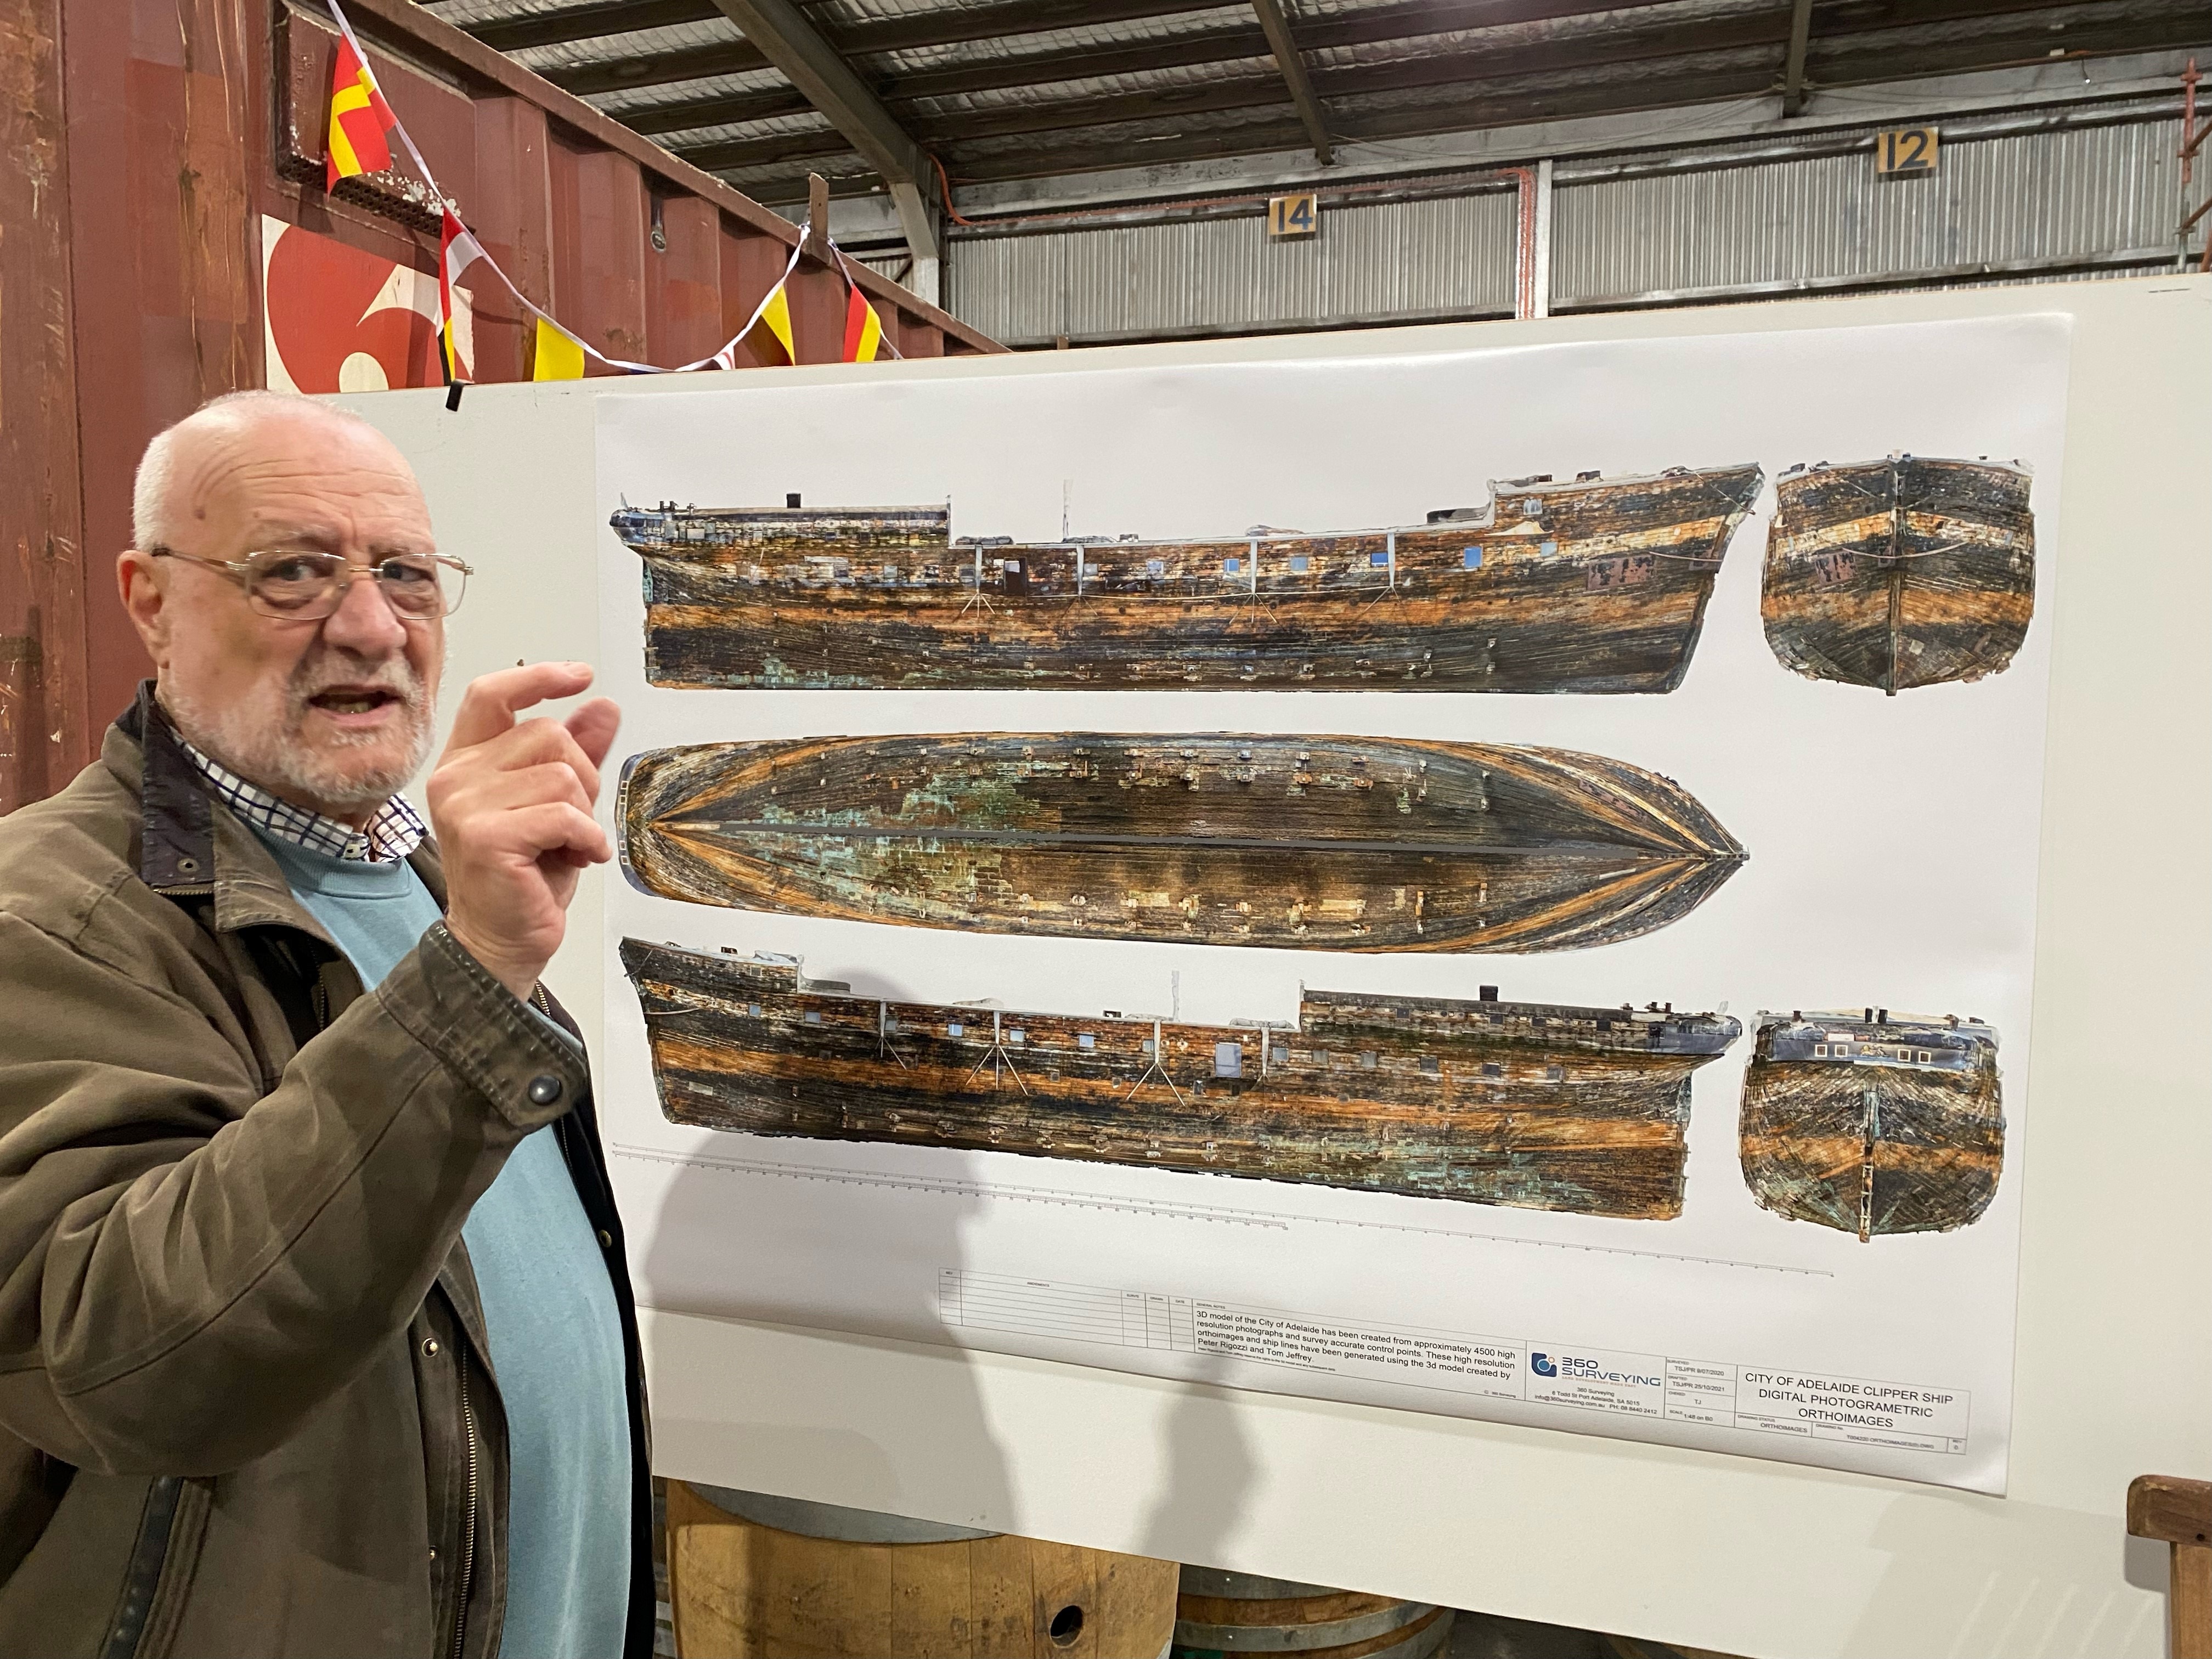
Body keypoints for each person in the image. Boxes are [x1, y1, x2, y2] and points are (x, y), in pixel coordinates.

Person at [0, 391, 651, 1658]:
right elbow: (136, 1351)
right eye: (292, 571)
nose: (368, 626)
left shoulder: (420, 877)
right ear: (149, 600)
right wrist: (471, 974)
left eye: (405, 575)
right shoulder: (52, 918)